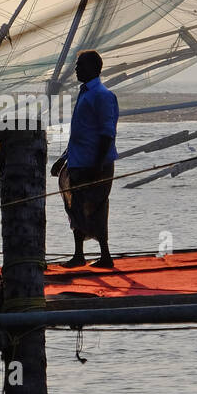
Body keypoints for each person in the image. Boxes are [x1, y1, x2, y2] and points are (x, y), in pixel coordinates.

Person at [53, 49, 118, 268]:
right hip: (78, 161)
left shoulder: (102, 95)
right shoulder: (85, 93)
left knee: (97, 206)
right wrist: (63, 158)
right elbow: (80, 133)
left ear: (93, 67)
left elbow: (107, 133)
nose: (76, 69)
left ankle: (105, 255)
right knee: (75, 206)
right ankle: (78, 255)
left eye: (80, 65)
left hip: (94, 164)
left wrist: (98, 165)